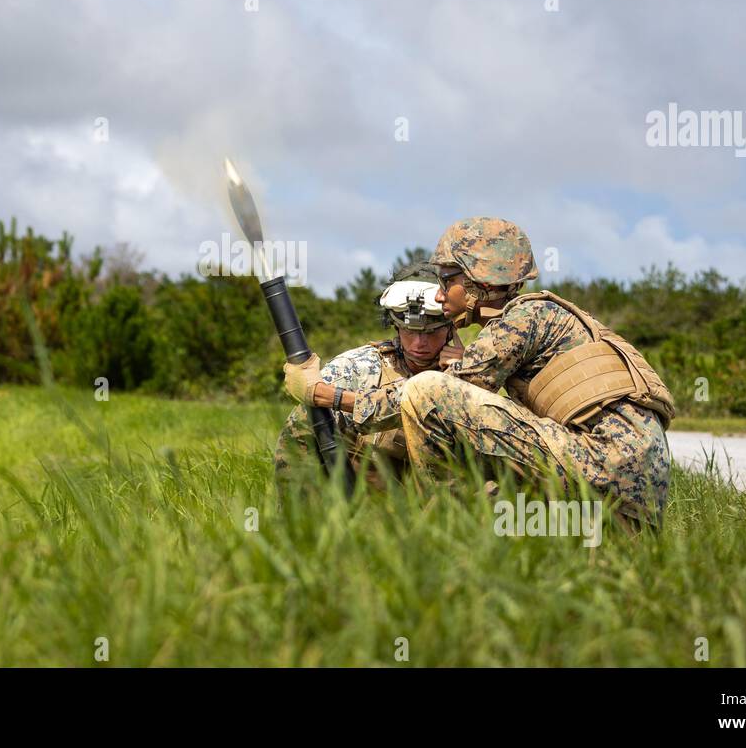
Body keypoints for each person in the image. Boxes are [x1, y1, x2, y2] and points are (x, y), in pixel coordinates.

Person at [285, 218, 675, 525]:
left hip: (603, 467)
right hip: (627, 495)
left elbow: (424, 398)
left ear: (481, 282)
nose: (439, 294)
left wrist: (324, 395)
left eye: (447, 280)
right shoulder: (543, 317)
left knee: (428, 393)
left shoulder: (524, 317)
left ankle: (449, 532)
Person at [274, 263, 458, 490]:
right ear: (395, 326)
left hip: (443, 501)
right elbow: (300, 435)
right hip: (371, 501)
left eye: (432, 332)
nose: (420, 343)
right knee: (307, 416)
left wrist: (463, 372)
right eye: (410, 331)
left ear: (452, 328)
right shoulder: (357, 368)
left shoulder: (469, 370)